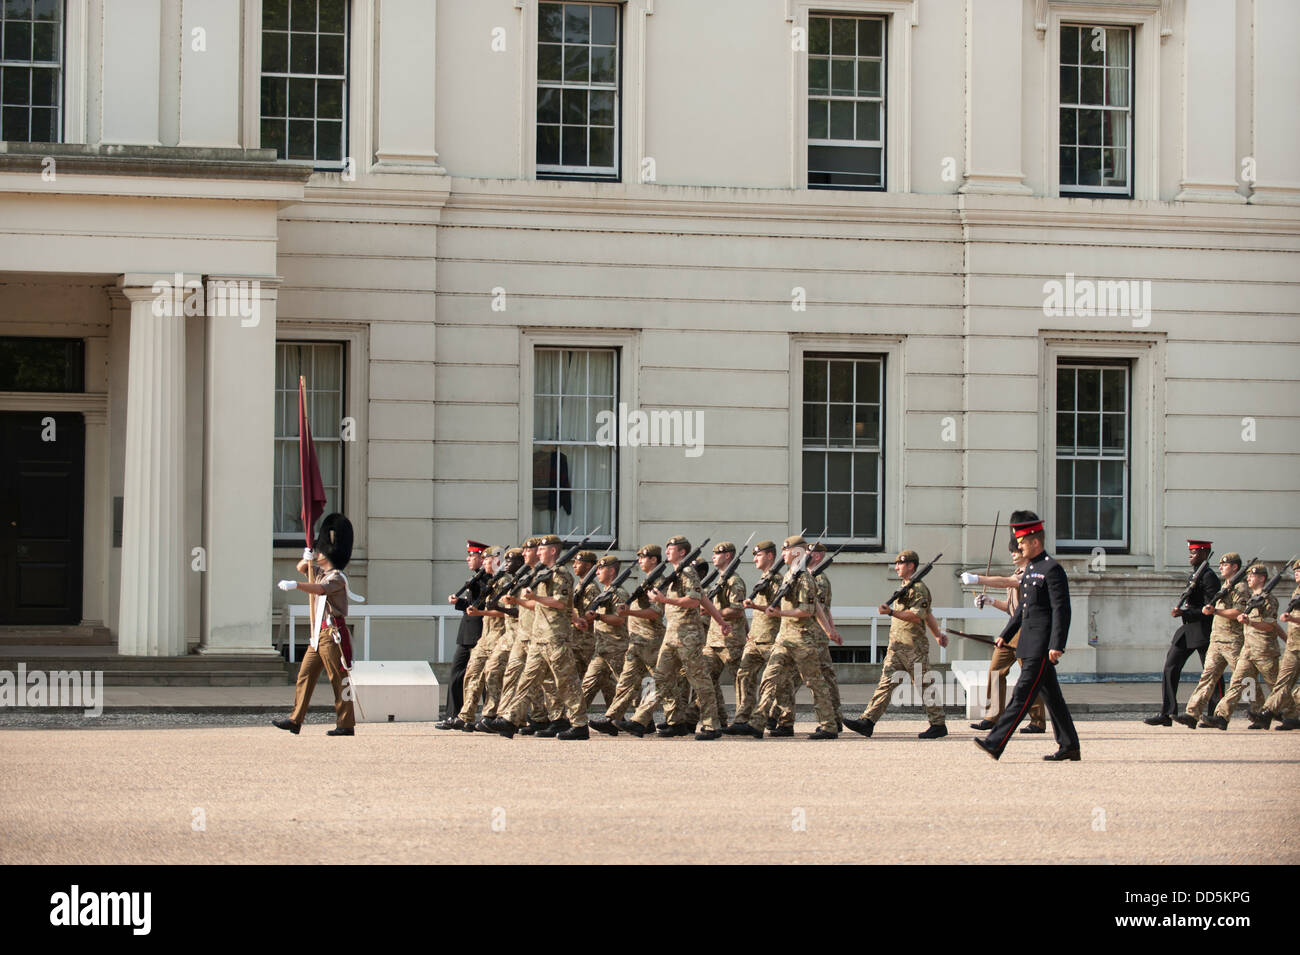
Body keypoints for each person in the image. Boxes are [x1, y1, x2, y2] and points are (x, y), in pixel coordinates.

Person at [973, 511, 1080, 761]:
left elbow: (1061, 610)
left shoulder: (1052, 569)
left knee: (1021, 695)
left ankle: (994, 742)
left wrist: (1057, 644)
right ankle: (1070, 746)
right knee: (1053, 699)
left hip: (1041, 646)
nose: (1019, 547)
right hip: (1028, 642)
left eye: (1022, 542)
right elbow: (1023, 608)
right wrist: (1006, 634)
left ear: (1035, 541)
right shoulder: (1031, 568)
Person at [622, 536, 723, 740]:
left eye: (671, 548)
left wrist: (663, 599)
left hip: (688, 636)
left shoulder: (687, 571)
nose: (667, 551)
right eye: (667, 547)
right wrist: (721, 621)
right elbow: (703, 597)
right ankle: (643, 721)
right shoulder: (676, 573)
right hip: (672, 634)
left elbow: (695, 601)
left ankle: (712, 725)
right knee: (660, 678)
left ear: (682, 552)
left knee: (699, 681)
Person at [492, 534, 590, 739]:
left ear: (553, 551)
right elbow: (537, 605)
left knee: (566, 681)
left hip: (555, 635)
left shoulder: (561, 574)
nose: (538, 553)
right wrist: (518, 601)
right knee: (527, 679)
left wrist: (535, 596)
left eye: (542, 550)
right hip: (538, 636)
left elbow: (560, 603)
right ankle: (511, 719)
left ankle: (580, 724)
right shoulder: (543, 574)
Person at [843, 549, 948, 740]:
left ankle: (938, 724)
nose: (897, 567)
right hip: (897, 646)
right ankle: (867, 721)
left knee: (924, 685)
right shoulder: (907, 586)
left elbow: (918, 616)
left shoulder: (919, 589)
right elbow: (929, 614)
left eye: (901, 564)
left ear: (911, 566)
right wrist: (938, 634)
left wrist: (891, 613)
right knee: (886, 684)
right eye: (897, 563)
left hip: (913, 647)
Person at [274, 513, 359, 737]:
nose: (318, 553)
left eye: (320, 551)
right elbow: (302, 567)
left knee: (338, 678)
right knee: (305, 674)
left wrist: (297, 586)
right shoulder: (320, 572)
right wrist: (307, 555)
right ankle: (296, 719)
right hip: (317, 633)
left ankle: (345, 723)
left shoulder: (337, 577)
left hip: (332, 634)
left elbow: (319, 590)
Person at [750, 536, 839, 740]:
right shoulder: (790, 574)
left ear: (797, 552)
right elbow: (814, 606)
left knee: (814, 682)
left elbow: (807, 610)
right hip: (784, 638)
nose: (783, 554)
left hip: (801, 639)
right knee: (769, 677)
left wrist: (779, 614)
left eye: (786, 551)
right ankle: (758, 722)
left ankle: (829, 725)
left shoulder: (805, 578)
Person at [961, 540, 1046, 734]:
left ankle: (1038, 720)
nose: (1013, 554)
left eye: (1017, 551)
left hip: (1030, 629)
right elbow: (1010, 607)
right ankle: (993, 716)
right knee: (995, 670)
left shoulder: (1031, 572)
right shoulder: (1016, 574)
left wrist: (978, 579)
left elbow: (1006, 582)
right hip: (1013, 629)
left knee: (1029, 676)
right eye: (1012, 551)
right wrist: (990, 601)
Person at [1146, 540, 1221, 726]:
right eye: (1190, 552)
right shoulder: (1196, 574)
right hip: (1188, 629)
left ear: (1204, 553)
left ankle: (1216, 714)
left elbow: (1209, 608)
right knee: (1170, 667)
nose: (1190, 555)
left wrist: (1185, 612)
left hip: (1203, 630)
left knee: (1212, 673)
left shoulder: (1209, 576)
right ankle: (1167, 713)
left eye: (1194, 552)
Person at [1176, 553, 1252, 728]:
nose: (1221, 567)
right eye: (1221, 564)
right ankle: (1192, 714)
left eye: (1225, 565)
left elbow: (1238, 612)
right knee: (1207, 677)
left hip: (1233, 641)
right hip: (1217, 640)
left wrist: (1215, 612)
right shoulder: (1225, 586)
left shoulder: (1240, 588)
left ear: (1234, 567)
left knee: (1245, 679)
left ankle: (1263, 710)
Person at [1205, 564, 1283, 730]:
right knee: (1237, 682)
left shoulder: (1269, 599)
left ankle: (1290, 714)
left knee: (1277, 685)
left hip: (1265, 651)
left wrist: (1251, 622)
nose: (1248, 578)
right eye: (1247, 576)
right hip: (1247, 650)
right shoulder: (1250, 599)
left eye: (1252, 576)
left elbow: (1271, 625)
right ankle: (1221, 717)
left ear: (1262, 578)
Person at [726, 541, 790, 735]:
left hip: (771, 638)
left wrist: (755, 607)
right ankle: (742, 718)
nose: (755, 559)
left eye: (759, 555)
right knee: (743, 676)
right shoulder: (763, 578)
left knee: (779, 682)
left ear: (770, 556)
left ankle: (785, 722)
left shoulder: (777, 580)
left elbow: (779, 610)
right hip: (755, 637)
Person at [455, 546, 510, 731]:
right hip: (486, 636)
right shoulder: (491, 582)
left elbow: (505, 612)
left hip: (500, 636)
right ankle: (466, 716)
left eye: (487, 560)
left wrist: (480, 612)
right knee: (472, 674)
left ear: (496, 560)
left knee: (492, 676)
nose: (484, 563)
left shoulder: (505, 582)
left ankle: (491, 715)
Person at [436, 540, 488, 729]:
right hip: (467, 634)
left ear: (482, 558)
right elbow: (471, 607)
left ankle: (489, 716)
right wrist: (459, 602)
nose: (468, 559)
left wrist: (462, 602)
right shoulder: (475, 579)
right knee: (456, 675)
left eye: (472, 556)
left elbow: (483, 607)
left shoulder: (487, 580)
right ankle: (453, 716)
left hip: (481, 634)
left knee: (484, 678)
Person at [579, 555, 630, 710]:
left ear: (612, 571)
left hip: (616, 648)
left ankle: (644, 721)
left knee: (627, 686)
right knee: (588, 684)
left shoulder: (618, 593)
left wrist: (599, 617)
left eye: (601, 569)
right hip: (601, 649)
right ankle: (576, 721)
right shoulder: (604, 593)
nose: (597, 572)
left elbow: (620, 619)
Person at [1261, 561, 1300, 730]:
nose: (1297, 573)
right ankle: (1268, 713)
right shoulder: (1297, 592)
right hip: (1294, 645)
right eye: (1296, 571)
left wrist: (1291, 619)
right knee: (1283, 682)